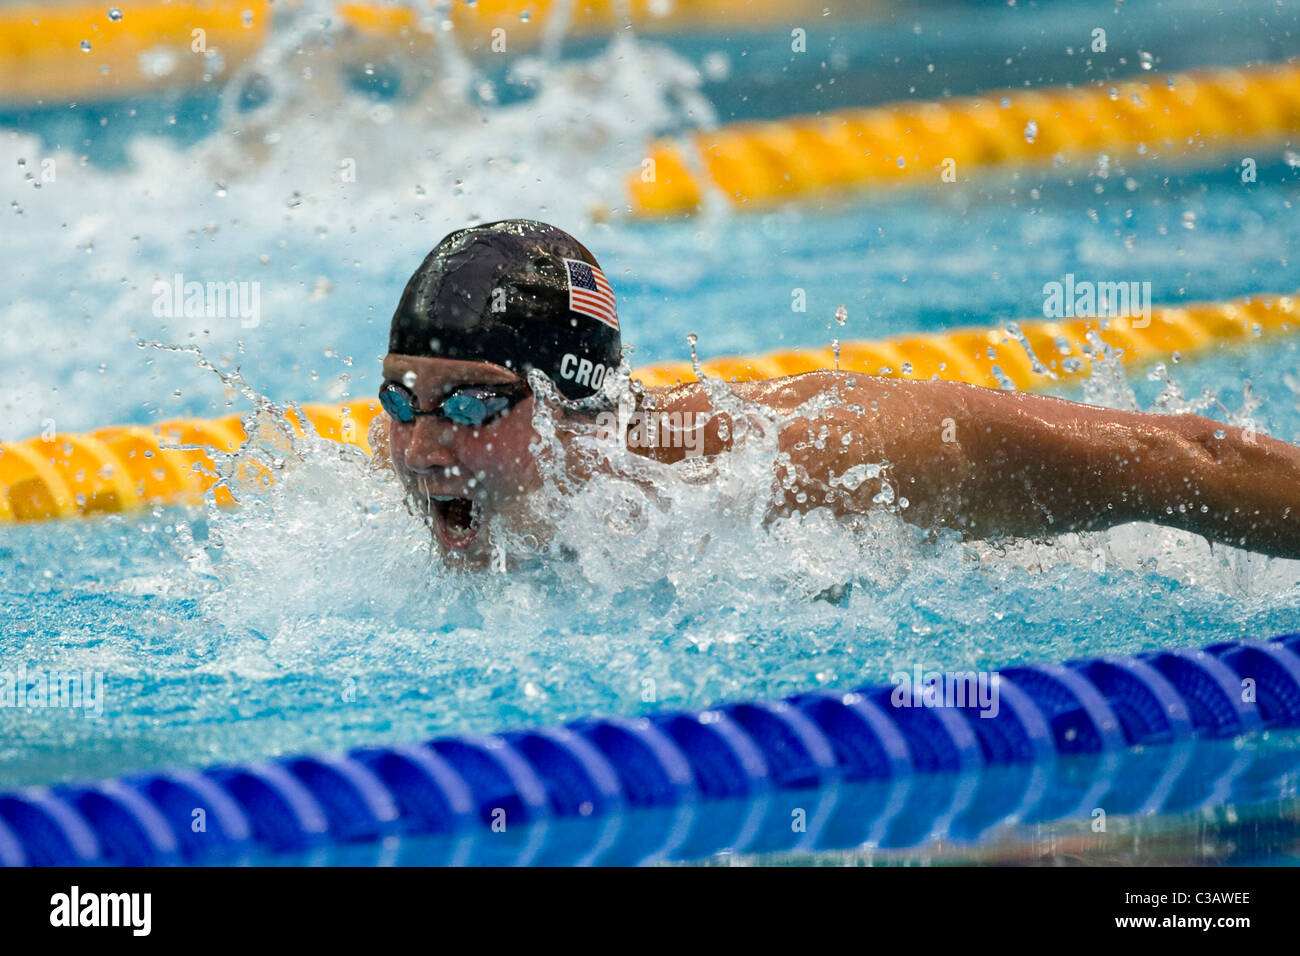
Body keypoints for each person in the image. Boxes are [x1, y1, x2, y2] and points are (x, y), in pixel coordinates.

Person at [371, 219, 1300, 565]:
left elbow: (1175, 459)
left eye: (469, 404)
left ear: (579, 403)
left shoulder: (810, 453)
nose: (421, 449)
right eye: (401, 401)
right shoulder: (401, 464)